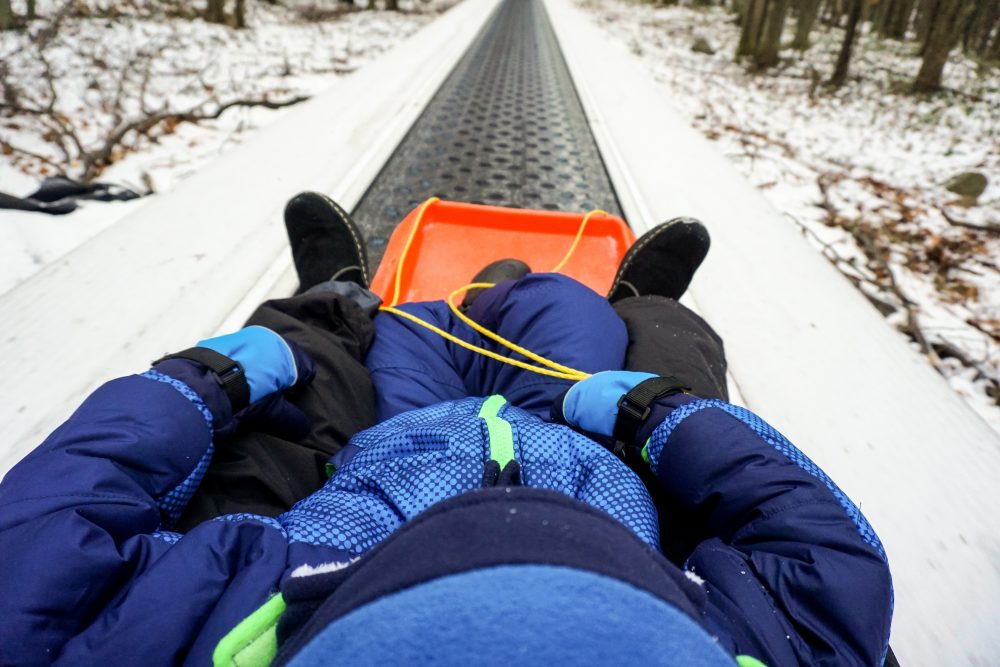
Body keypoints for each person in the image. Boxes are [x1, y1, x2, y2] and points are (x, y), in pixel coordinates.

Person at [0, 193, 893, 667]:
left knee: (310, 368)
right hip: (589, 456)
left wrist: (203, 380)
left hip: (382, 458)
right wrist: (663, 413)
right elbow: (813, 542)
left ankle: (333, 297)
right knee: (635, 342)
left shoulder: (144, 638)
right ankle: (639, 305)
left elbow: (64, 505)